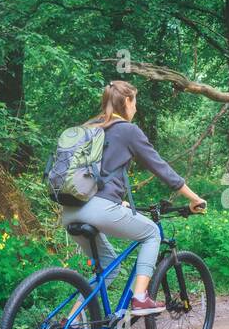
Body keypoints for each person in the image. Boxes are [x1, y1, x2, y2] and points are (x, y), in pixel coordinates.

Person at [60, 80, 206, 315]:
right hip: (99, 209)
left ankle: (72, 322)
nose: (136, 108)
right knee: (152, 233)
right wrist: (194, 198)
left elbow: (96, 174)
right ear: (127, 101)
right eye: (135, 101)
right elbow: (161, 168)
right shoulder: (127, 130)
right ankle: (140, 298)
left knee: (109, 267)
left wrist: (118, 200)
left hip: (69, 210)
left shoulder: (90, 127)